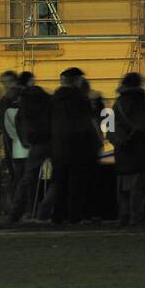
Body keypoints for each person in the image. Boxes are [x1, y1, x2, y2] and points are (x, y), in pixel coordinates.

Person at [50, 67, 100, 225]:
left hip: (58, 146)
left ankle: (58, 215)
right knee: (76, 184)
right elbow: (88, 123)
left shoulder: (54, 99)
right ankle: (74, 216)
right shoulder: (81, 99)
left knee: (60, 183)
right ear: (77, 80)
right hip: (79, 147)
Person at [111, 72, 145, 226]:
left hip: (122, 152)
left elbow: (109, 128)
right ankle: (136, 218)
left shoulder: (117, 103)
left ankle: (123, 216)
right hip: (139, 151)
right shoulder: (139, 102)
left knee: (123, 188)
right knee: (138, 188)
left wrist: (119, 142)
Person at [9, 73, 51, 223]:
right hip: (50, 139)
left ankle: (16, 212)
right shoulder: (43, 97)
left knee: (27, 177)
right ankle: (45, 212)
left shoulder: (24, 102)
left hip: (35, 142)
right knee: (58, 177)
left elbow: (19, 123)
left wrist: (25, 140)